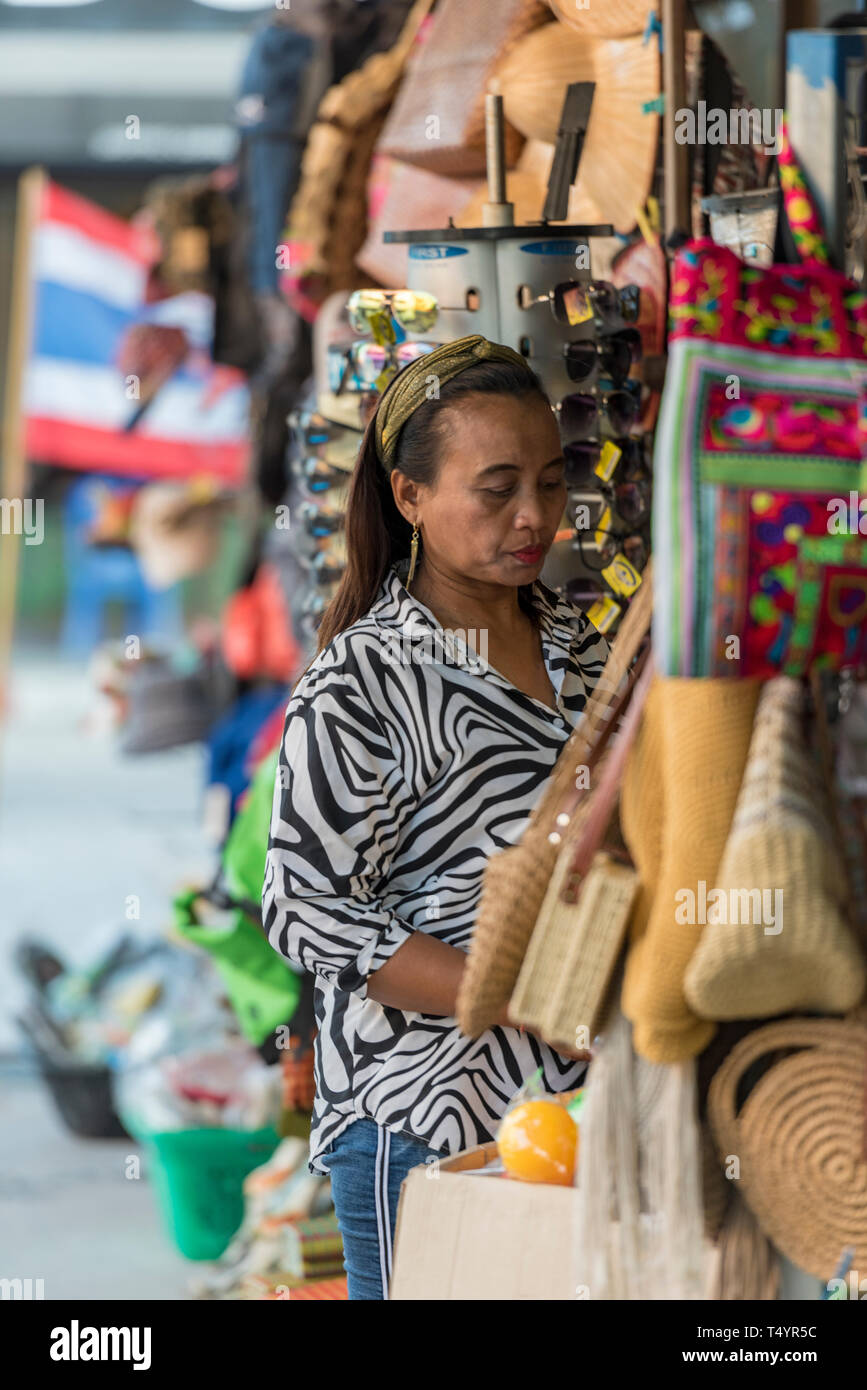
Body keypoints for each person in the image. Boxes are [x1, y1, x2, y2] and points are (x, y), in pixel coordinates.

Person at [263, 335, 609, 1299]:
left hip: (567, 1117)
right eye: (495, 489)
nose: (535, 515)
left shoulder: (575, 645)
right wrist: (534, 998)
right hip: (423, 1116)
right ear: (409, 496)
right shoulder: (363, 680)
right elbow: (309, 912)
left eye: (550, 479)